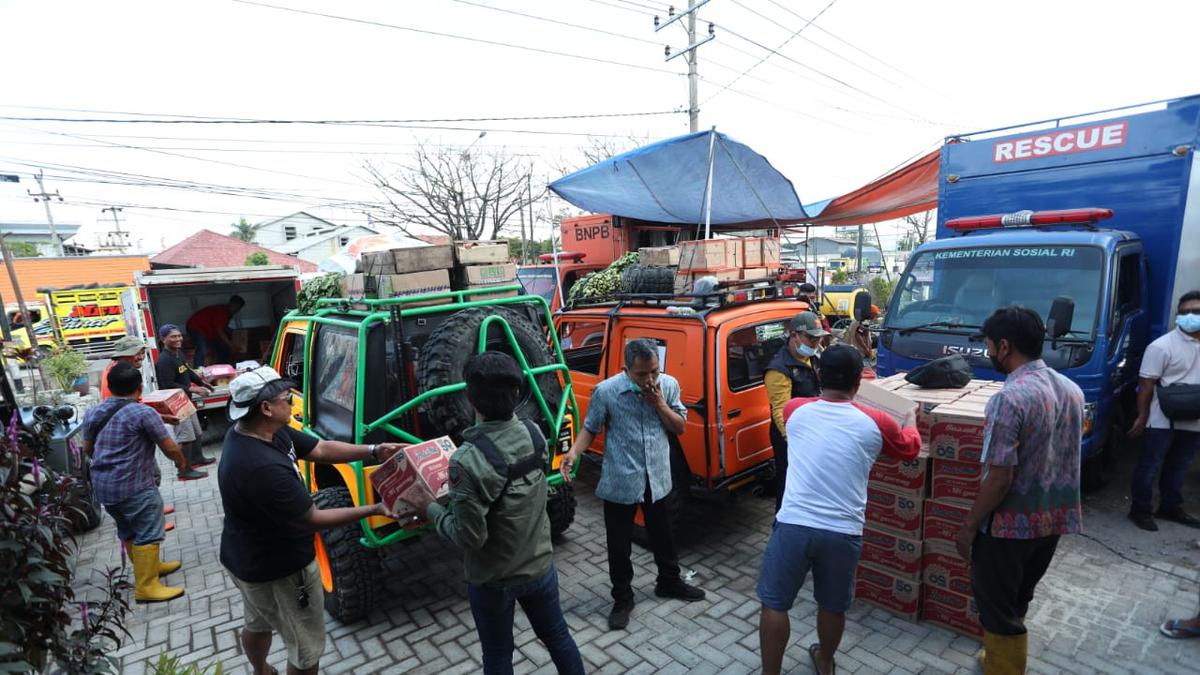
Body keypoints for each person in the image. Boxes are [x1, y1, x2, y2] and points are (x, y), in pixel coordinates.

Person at [218, 366, 405, 675]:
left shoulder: (263, 431)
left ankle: (261, 670)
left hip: (245, 557)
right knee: (306, 649)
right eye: (286, 398)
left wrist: (374, 450)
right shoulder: (260, 467)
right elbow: (311, 519)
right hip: (278, 568)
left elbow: (319, 448)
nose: (292, 402)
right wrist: (374, 510)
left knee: (258, 620)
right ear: (265, 408)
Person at [406, 352, 584, 674]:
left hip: (494, 581)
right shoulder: (534, 434)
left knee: (499, 655)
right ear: (517, 394)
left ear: (470, 398)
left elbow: (469, 537)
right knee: (557, 636)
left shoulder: (465, 461)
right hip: (540, 566)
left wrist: (429, 508)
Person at [757, 344, 921, 675]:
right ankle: (825, 662)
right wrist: (912, 417)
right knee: (832, 605)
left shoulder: (794, 410)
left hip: (793, 525)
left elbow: (812, 411)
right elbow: (911, 448)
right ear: (859, 383)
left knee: (775, 603)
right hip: (843, 532)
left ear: (818, 375)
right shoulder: (877, 422)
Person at [954, 306, 1084, 675]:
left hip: (1009, 529)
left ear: (1005, 346)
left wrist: (968, 527)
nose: (989, 352)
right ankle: (997, 659)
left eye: (990, 345)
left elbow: (999, 478)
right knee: (1018, 599)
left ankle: (1004, 667)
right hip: (1052, 522)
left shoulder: (1009, 399)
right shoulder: (1071, 390)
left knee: (996, 611)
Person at [560, 338, 704, 631]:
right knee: (619, 544)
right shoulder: (607, 392)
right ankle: (622, 598)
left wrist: (660, 403)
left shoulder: (669, 385)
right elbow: (590, 428)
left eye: (654, 371)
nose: (650, 379)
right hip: (620, 479)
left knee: (663, 536)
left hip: (659, 477)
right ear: (625, 369)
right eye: (641, 374)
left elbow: (679, 426)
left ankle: (669, 582)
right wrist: (573, 453)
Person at [82, 363, 191, 602]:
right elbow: (170, 447)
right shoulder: (143, 413)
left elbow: (88, 449)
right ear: (140, 388)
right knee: (149, 531)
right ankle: (147, 586)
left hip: (104, 488)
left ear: (109, 387)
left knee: (128, 529)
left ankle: (152, 568)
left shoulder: (93, 412)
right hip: (134, 486)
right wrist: (182, 463)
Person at [1128, 290, 1200, 531]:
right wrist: (1142, 417)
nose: (1190, 316)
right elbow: (1146, 384)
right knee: (1150, 465)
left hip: (1194, 420)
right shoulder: (1161, 347)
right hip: (1161, 419)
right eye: (1185, 312)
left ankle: (1171, 507)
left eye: (1196, 312)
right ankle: (1140, 510)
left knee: (1180, 465)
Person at [103, 334, 181, 519]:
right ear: (122, 355)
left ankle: (152, 509)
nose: (140, 357)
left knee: (151, 474)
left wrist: (161, 417)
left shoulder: (121, 370)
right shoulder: (116, 375)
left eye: (142, 352)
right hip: (128, 435)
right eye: (136, 353)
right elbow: (125, 407)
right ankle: (148, 516)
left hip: (130, 431)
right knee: (148, 475)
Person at [763, 312, 828, 514]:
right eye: (811, 338)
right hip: (791, 437)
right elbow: (781, 412)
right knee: (789, 485)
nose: (816, 343)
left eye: (818, 338)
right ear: (794, 335)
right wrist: (796, 443)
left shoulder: (814, 355)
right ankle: (782, 523)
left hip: (813, 430)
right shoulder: (778, 369)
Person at [155, 324, 212, 478]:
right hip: (174, 403)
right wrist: (193, 389)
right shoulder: (164, 360)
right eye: (173, 336)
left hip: (185, 399)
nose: (178, 339)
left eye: (179, 335)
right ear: (163, 339)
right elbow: (167, 385)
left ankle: (197, 459)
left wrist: (202, 383)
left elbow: (187, 371)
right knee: (186, 437)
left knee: (197, 431)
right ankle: (184, 470)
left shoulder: (178, 354)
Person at [186, 294, 245, 367]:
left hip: (208, 331)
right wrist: (231, 345)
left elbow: (222, 326)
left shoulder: (228, 313)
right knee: (203, 348)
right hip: (196, 327)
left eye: (239, 308)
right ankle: (198, 370)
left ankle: (223, 366)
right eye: (237, 307)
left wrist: (234, 332)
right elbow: (220, 331)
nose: (237, 310)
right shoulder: (222, 312)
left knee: (222, 346)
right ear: (232, 304)